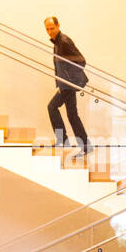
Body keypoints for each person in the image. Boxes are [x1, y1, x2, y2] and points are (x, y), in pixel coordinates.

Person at [43, 16, 92, 156]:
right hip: (65, 84)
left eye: (52, 28)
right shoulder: (57, 42)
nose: (50, 31)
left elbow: (81, 60)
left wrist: (68, 78)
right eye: (47, 29)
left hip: (69, 84)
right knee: (72, 115)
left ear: (58, 26)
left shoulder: (64, 41)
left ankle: (63, 140)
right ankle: (85, 145)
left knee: (52, 106)